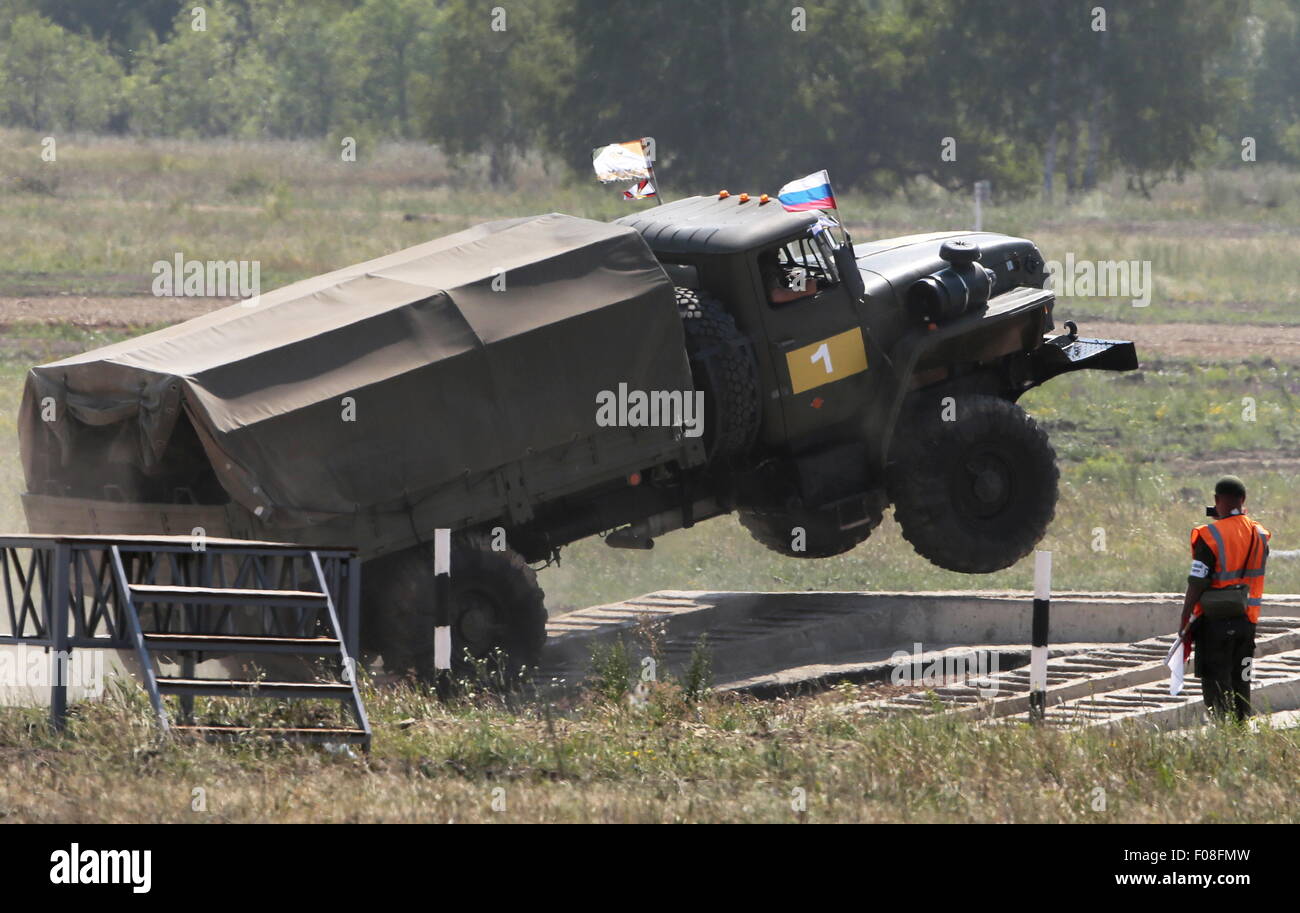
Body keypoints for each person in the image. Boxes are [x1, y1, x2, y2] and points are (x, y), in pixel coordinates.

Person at [1180, 475, 1270, 722]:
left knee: (1215, 684)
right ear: (1244, 500)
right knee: (1242, 679)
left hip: (1214, 622)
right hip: (1247, 621)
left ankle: (1223, 733)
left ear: (1216, 500)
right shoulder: (1260, 534)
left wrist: (1185, 616)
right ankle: (1241, 729)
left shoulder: (1209, 535)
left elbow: (1197, 581)